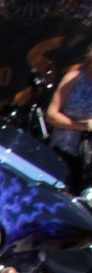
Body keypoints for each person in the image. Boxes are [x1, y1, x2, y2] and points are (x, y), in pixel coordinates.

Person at [45, 47, 92, 185]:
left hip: (88, 158)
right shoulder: (75, 77)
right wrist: (83, 126)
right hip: (64, 148)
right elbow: (52, 115)